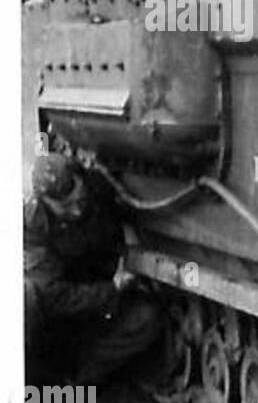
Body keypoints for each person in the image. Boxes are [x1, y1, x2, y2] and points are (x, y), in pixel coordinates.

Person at [24, 153, 163, 387]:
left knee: (145, 319)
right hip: (62, 310)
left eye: (80, 201)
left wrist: (132, 245)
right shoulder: (33, 226)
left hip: (99, 299)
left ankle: (79, 378)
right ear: (45, 203)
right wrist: (113, 289)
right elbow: (53, 296)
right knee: (26, 297)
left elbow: (127, 212)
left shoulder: (98, 187)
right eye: (66, 207)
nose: (77, 212)